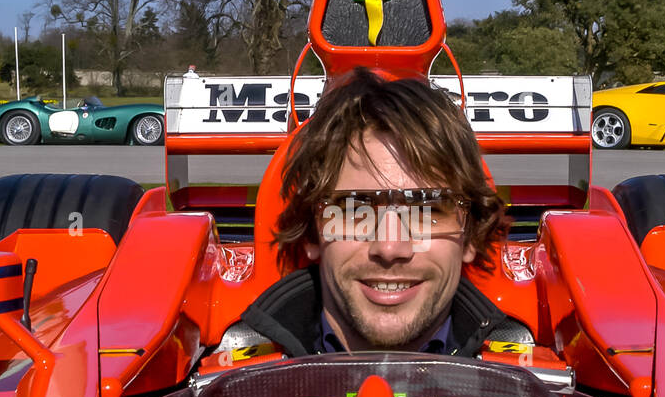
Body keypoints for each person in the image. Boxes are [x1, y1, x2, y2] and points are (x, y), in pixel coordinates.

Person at [215, 66, 531, 359]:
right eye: (356, 208)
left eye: (427, 209)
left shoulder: (536, 396)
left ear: (470, 236)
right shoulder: (220, 394)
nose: (390, 248)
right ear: (313, 231)